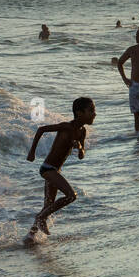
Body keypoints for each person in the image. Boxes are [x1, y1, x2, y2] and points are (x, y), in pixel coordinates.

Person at [25, 97, 96, 237]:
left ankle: (30, 237)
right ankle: (40, 218)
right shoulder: (66, 127)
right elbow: (41, 130)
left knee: (48, 204)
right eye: (91, 110)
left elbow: (81, 156)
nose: (94, 114)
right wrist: (32, 152)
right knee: (71, 196)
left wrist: (80, 147)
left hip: (55, 171)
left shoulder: (82, 132)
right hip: (47, 169)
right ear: (79, 113)